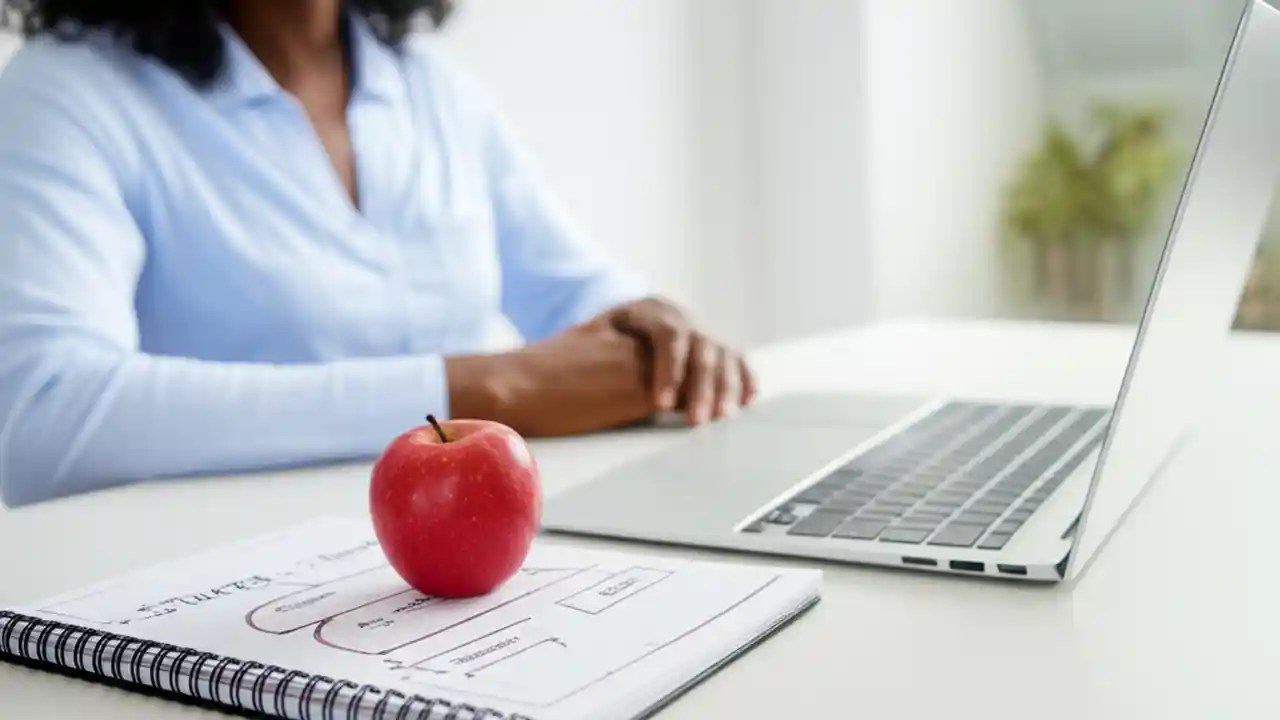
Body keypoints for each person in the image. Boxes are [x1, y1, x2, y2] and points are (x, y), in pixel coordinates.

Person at [0, 0, 756, 507]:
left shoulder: (428, 83)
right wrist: (481, 393)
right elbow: (41, 419)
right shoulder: (68, 91)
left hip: (478, 545)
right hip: (232, 584)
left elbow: (569, 285)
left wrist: (648, 326)